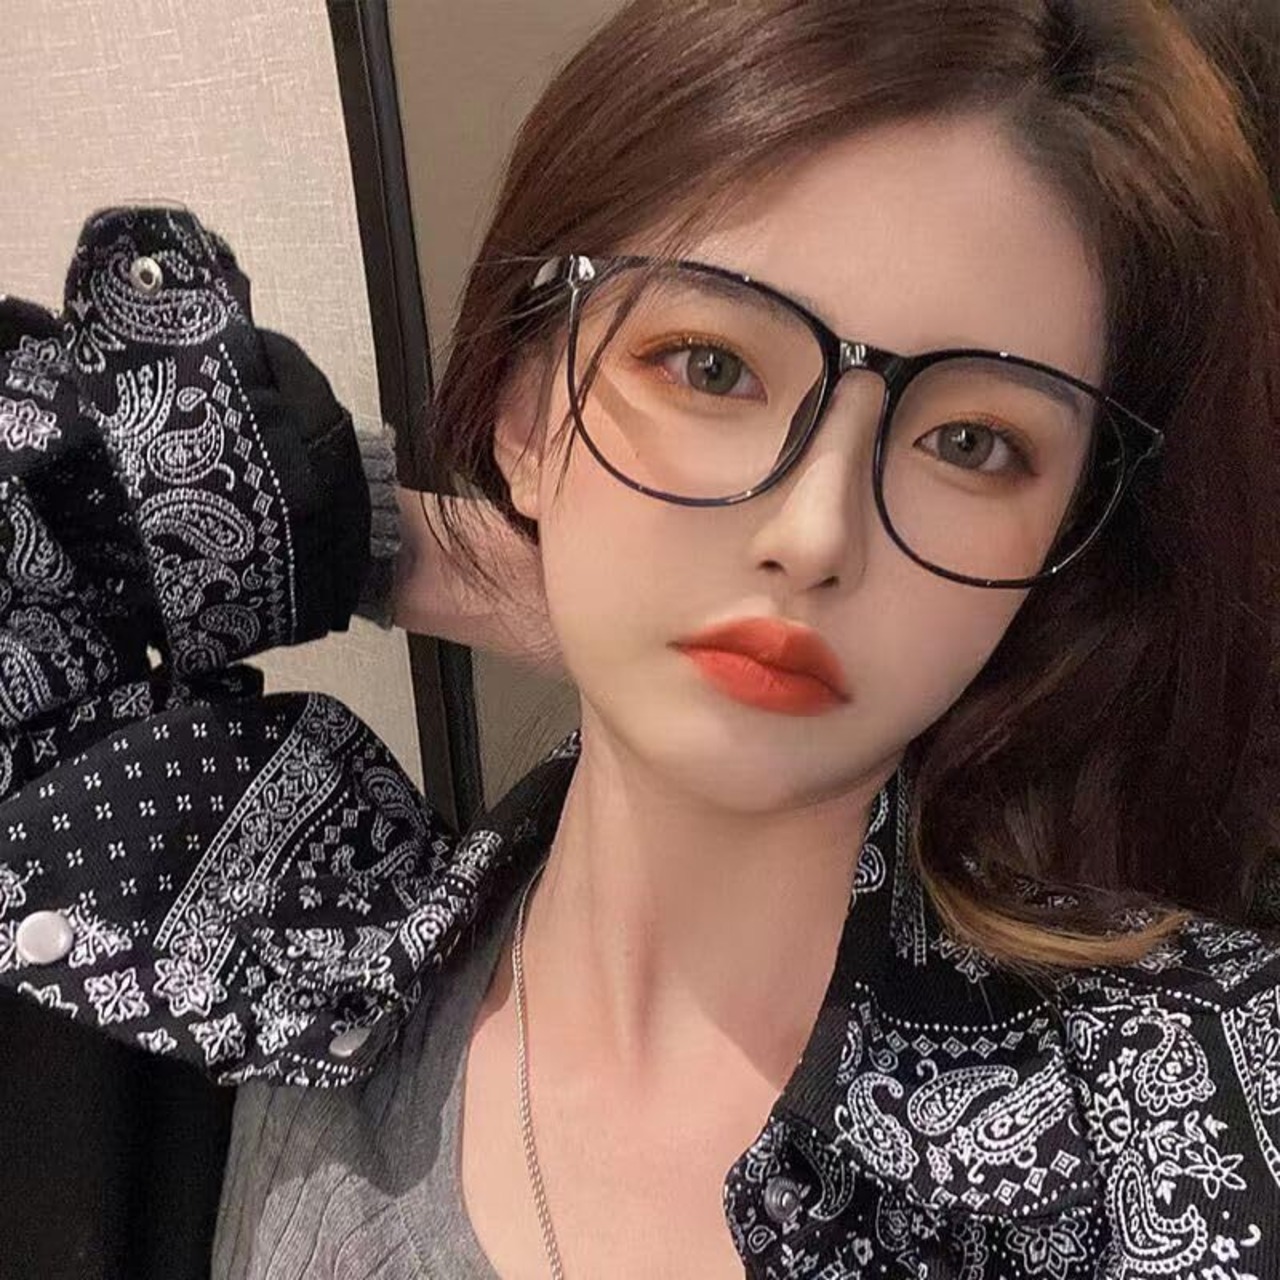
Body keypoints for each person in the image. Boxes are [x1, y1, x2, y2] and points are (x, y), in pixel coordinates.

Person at [4, 2, 1280, 1278]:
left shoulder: (1204, 1104)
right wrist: (407, 542)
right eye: (708, 366)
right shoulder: (247, 931)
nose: (814, 532)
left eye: (971, 442)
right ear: (522, 405)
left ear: (1066, 538)